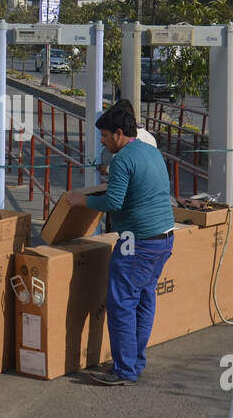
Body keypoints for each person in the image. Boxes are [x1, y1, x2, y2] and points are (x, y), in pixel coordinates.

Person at [63, 104, 175, 385]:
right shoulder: (151, 151)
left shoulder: (123, 159)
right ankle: (135, 361)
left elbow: (114, 202)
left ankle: (125, 370)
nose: (101, 141)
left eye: (104, 135)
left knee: (122, 304)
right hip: (164, 238)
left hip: (135, 242)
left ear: (119, 134)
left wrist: (83, 200)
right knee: (144, 299)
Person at [96, 99, 157, 177]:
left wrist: (107, 169)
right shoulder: (150, 138)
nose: (102, 141)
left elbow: (120, 170)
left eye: (105, 135)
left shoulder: (123, 149)